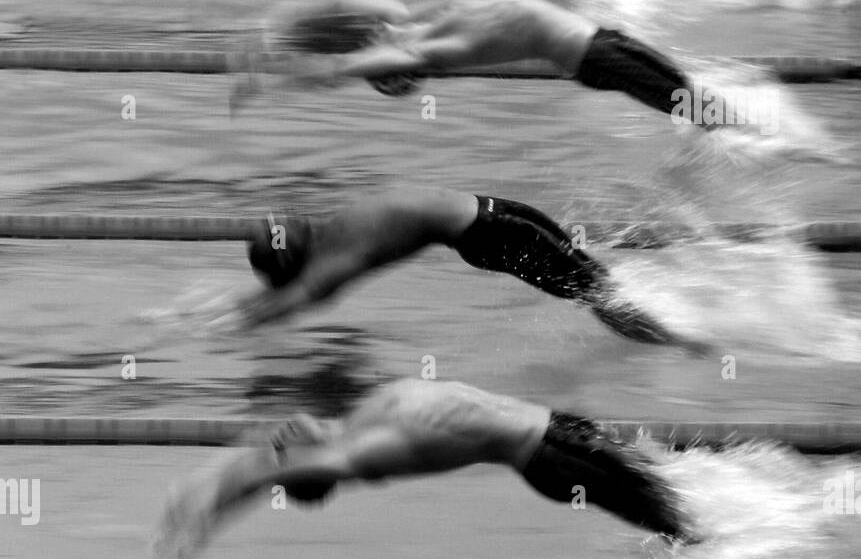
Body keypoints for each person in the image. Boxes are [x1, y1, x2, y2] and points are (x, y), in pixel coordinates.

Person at [155, 378, 696, 559]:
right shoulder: (363, 451)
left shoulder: (357, 418)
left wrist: (205, 485)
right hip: (559, 458)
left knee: (689, 501)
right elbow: (265, 474)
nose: (275, 436)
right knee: (688, 527)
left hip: (562, 434)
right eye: (282, 448)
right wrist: (209, 513)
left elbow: (258, 460)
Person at [240, 184, 704, 348]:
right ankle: (684, 342)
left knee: (597, 284)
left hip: (493, 212)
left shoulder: (330, 236)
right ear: (295, 245)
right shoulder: (332, 263)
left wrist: (214, 310)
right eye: (287, 225)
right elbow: (294, 300)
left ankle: (671, 327)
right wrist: (224, 320)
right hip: (493, 232)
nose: (292, 216)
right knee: (595, 294)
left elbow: (279, 298)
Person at [239, 0, 719, 128]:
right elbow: (341, 65)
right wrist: (273, 77)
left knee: (705, 110)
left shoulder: (414, 19)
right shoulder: (425, 47)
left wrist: (274, 42)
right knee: (704, 113)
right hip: (593, 55)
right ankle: (772, 150)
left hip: (603, 41)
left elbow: (341, 4)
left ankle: (764, 143)